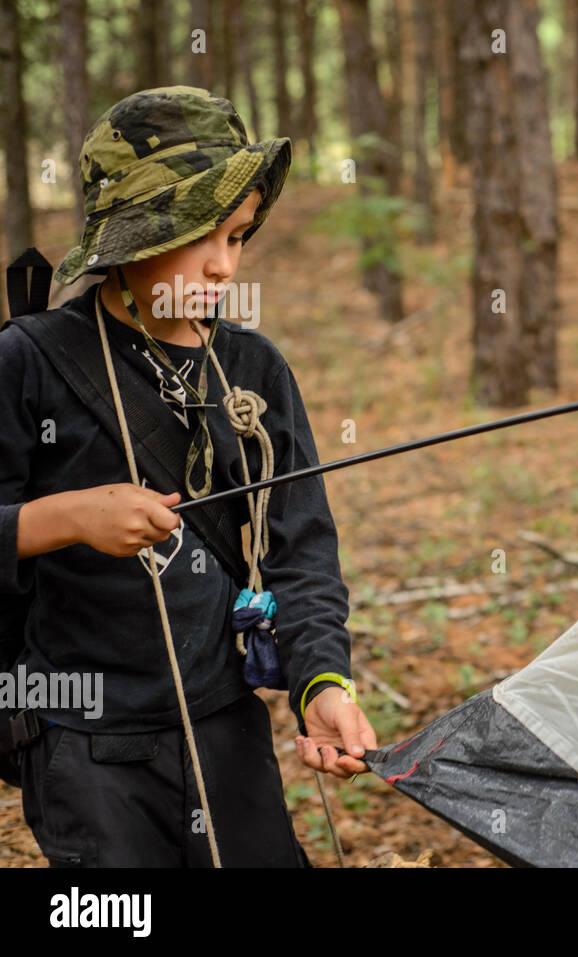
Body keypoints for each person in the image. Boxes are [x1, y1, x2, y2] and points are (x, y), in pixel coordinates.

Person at [0, 86, 375, 866]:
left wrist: (321, 685)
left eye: (239, 236)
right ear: (129, 237)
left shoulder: (252, 368)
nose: (223, 264)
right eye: (199, 234)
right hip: (85, 742)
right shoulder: (29, 361)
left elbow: (300, 549)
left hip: (222, 725)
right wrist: (68, 516)